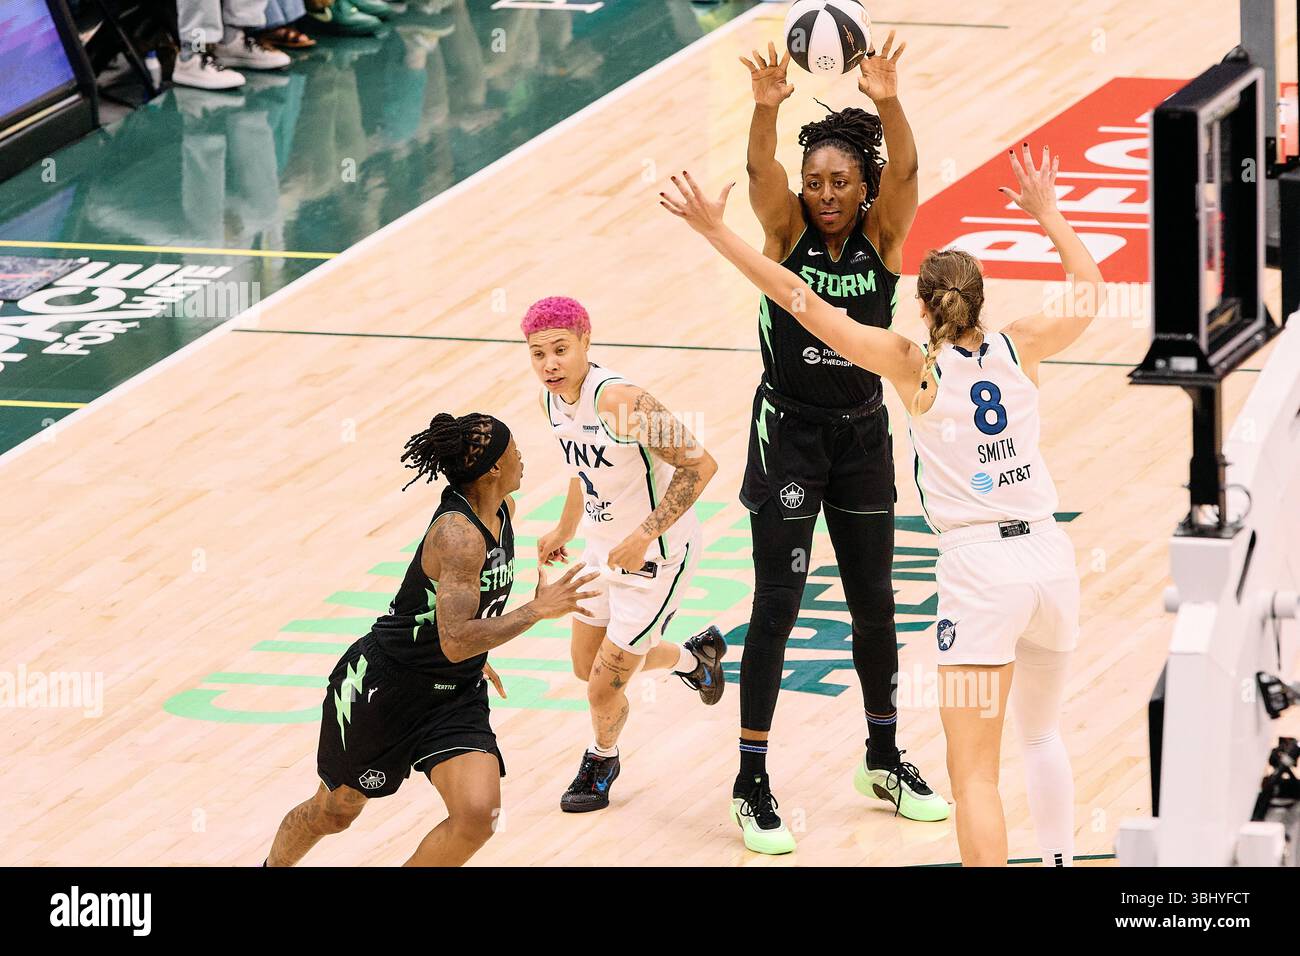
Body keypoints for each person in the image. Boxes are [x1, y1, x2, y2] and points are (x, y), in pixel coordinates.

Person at [660, 144, 1099, 867]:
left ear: (922, 305)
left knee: (975, 775)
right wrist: (1049, 214)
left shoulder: (911, 365)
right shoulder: (1024, 347)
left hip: (983, 569)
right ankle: (1056, 861)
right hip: (1051, 559)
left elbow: (798, 299)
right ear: (980, 300)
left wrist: (715, 231)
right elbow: (1088, 286)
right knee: (1043, 737)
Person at [729, 34, 945, 854]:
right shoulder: (783, 229)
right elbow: (759, 178)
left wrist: (888, 98)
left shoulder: (884, 238)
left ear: (865, 187)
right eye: (815, 181)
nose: (823, 194)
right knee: (777, 609)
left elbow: (913, 176)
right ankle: (751, 781)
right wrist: (763, 110)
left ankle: (883, 756)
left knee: (875, 606)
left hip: (860, 436)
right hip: (786, 434)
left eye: (839, 182)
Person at [265, 412, 598, 866]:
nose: (522, 457)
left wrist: (476, 651)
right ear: (494, 468)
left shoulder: (503, 510)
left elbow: (455, 624)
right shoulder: (458, 535)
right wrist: (536, 609)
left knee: (478, 815)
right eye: (514, 449)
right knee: (335, 812)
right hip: (385, 689)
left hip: (453, 692)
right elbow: (456, 638)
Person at [525, 296, 728, 813]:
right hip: (601, 550)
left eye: (560, 350)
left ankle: (601, 760)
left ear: (585, 342)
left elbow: (700, 466)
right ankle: (692, 658)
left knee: (601, 689)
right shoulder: (553, 400)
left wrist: (643, 533)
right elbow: (582, 468)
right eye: (537, 353)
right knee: (584, 665)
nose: (549, 363)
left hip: (656, 557)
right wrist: (565, 526)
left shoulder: (620, 401)